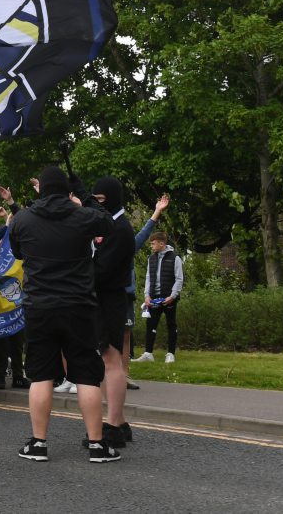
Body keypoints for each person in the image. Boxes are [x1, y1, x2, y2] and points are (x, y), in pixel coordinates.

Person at [9, 167, 120, 464]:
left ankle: (38, 443)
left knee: (41, 375)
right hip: (78, 305)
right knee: (86, 375)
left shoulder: (23, 219)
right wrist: (82, 195)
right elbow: (109, 223)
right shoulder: (82, 216)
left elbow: (17, 252)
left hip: (39, 306)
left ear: (41, 189)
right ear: (65, 189)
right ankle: (97, 445)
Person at [91, 176, 137, 447]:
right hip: (106, 299)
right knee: (109, 361)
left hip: (109, 300)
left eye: (100, 200)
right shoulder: (113, 223)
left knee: (112, 361)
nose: (97, 205)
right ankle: (118, 420)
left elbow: (102, 271)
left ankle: (113, 425)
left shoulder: (120, 229)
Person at [137, 231, 183, 363]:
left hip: (169, 298)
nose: (151, 246)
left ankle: (170, 354)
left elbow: (179, 279)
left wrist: (173, 296)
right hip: (153, 298)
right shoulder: (151, 258)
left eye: (153, 243)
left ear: (162, 243)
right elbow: (148, 278)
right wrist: (147, 295)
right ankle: (148, 353)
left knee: (171, 324)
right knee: (150, 324)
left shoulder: (175, 258)